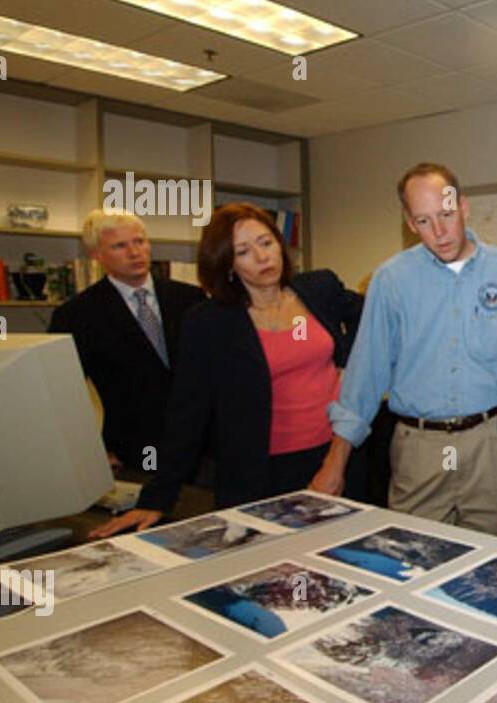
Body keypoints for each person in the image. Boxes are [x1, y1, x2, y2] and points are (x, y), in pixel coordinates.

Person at [91, 202, 363, 535]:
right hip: (260, 470)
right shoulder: (209, 321)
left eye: (266, 243)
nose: (262, 258)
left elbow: (371, 317)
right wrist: (157, 496)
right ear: (228, 264)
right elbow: (187, 411)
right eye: (244, 252)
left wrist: (346, 363)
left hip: (336, 455)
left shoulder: (319, 289)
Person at [311, 163, 497, 535]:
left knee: (493, 569)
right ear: (410, 224)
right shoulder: (392, 280)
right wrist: (336, 461)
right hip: (420, 449)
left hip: (489, 446)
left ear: (463, 207)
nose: (440, 232)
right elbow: (366, 370)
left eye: (446, 215)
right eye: (424, 221)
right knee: (413, 555)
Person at [49, 209, 204, 475]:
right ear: (96, 254)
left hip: (203, 444)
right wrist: (92, 450)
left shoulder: (191, 299)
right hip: (133, 449)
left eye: (140, 241)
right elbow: (61, 393)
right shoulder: (76, 315)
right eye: (120, 246)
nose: (135, 252)